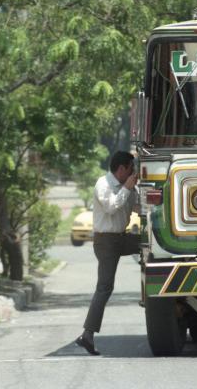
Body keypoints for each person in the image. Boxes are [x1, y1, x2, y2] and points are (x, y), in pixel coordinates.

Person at [76, 151, 138, 355]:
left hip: (122, 237)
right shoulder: (102, 184)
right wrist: (128, 187)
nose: (132, 173)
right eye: (130, 169)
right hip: (106, 242)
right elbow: (112, 207)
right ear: (121, 169)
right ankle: (87, 334)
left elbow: (138, 206)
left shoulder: (127, 187)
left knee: (149, 244)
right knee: (104, 287)